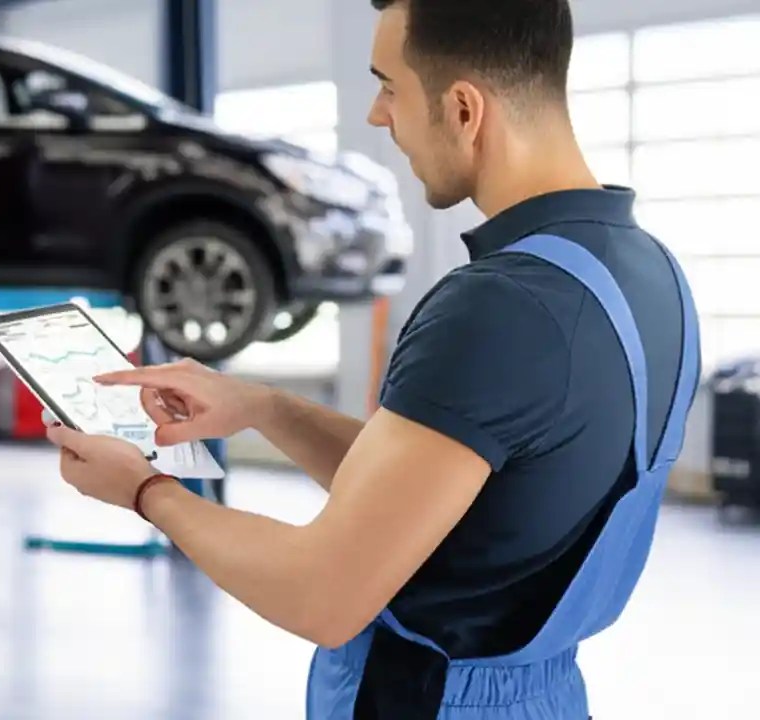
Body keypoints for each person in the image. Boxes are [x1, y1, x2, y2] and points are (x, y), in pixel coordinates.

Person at [45, 0, 701, 717]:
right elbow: (434, 492)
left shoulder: (500, 308)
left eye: (389, 86)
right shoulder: (649, 271)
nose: (376, 116)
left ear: (462, 108)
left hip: (430, 698)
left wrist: (144, 491)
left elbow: (321, 594)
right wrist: (264, 407)